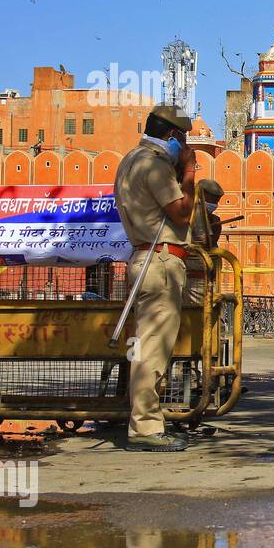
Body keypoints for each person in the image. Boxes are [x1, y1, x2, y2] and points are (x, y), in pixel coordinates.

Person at [113, 103, 197, 452]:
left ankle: (148, 420)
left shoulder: (129, 161)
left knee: (146, 347)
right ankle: (145, 429)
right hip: (161, 263)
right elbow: (180, 213)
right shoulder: (155, 164)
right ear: (172, 135)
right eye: (182, 139)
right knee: (152, 350)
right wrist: (189, 172)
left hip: (143, 258)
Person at [183, 179, 224, 308]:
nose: (216, 204)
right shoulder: (196, 208)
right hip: (196, 276)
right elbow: (204, 240)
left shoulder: (204, 213)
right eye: (214, 200)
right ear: (203, 195)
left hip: (207, 274)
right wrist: (214, 230)